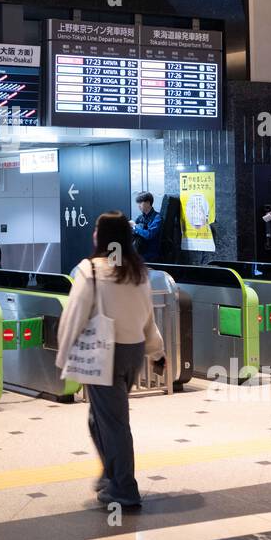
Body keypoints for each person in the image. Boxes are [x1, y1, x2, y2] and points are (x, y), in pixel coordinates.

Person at [55, 211, 166, 509]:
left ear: (101, 236)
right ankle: (112, 473)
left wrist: (62, 357)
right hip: (133, 353)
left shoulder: (90, 270)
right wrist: (157, 353)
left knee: (114, 423)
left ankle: (124, 489)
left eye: (96, 229)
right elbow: (148, 316)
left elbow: (74, 316)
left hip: (105, 353)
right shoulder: (138, 271)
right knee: (99, 419)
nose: (93, 233)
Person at [132, 191, 162, 261]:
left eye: (140, 203)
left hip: (150, 254)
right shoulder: (140, 218)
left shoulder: (157, 217)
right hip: (139, 251)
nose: (139, 205)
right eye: (138, 203)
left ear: (148, 203)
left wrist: (135, 226)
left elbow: (149, 234)